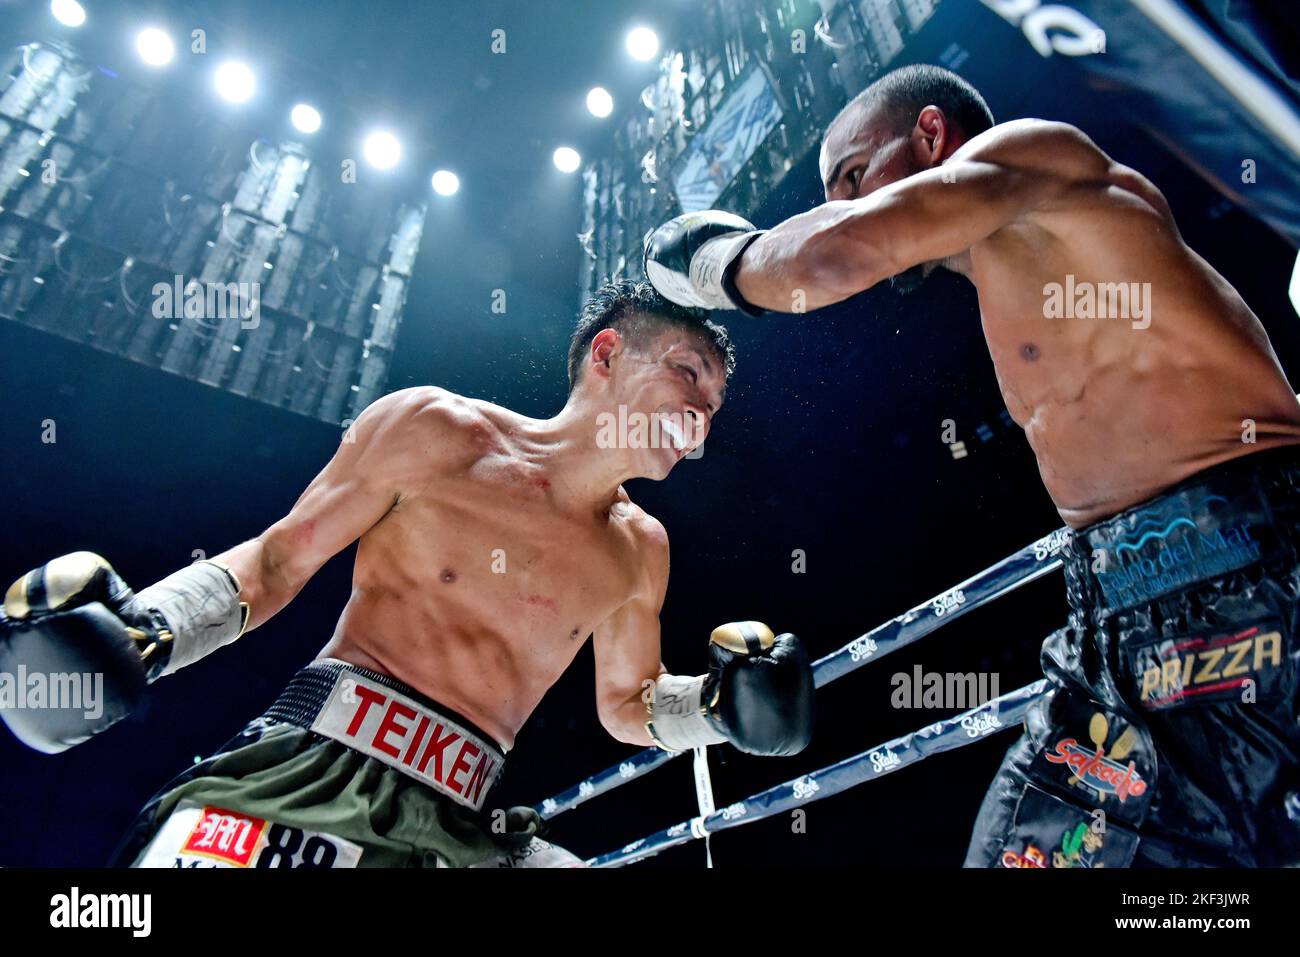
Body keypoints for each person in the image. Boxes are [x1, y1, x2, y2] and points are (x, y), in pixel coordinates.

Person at [644, 63, 1300, 866]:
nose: (845, 202)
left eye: (854, 174)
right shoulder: (1007, 272)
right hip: (1117, 627)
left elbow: (829, 258)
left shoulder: (1038, 160)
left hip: (1260, 570)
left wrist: (713, 261)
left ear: (930, 135)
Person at [0, 279, 815, 868]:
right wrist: (148, 627)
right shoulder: (437, 431)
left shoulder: (641, 549)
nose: (704, 411)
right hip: (310, 768)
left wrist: (716, 709)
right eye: (688, 371)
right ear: (607, 353)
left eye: (715, 400)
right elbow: (278, 559)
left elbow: (627, 703)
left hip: (460, 824)